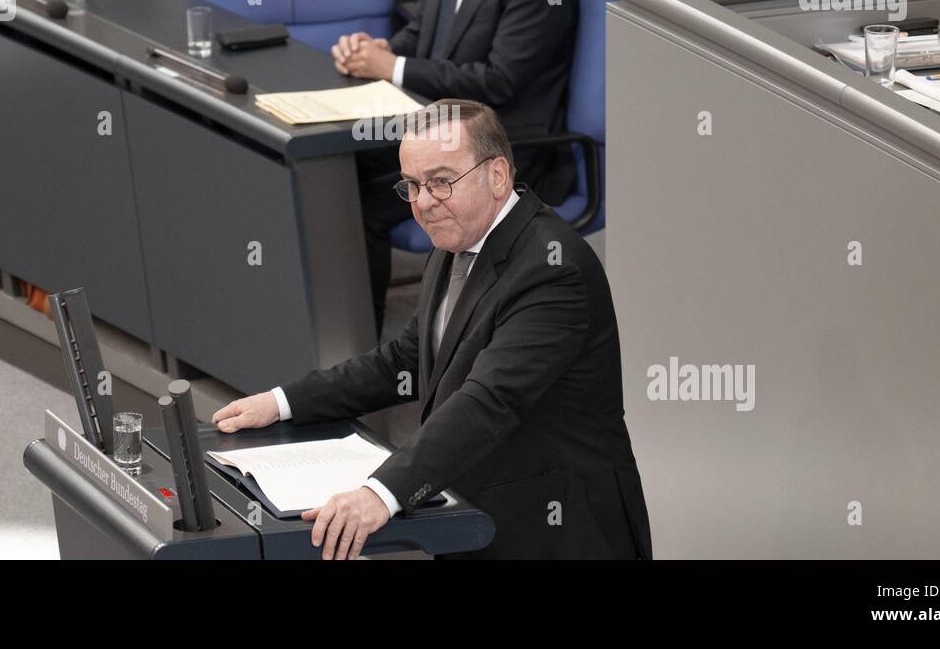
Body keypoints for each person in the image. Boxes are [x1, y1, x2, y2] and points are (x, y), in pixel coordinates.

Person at [213, 100, 652, 560]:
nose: (423, 203)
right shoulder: (456, 238)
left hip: (559, 528)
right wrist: (283, 402)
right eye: (412, 185)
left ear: (497, 175)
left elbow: (489, 401)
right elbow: (405, 359)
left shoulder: (552, 269)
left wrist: (380, 494)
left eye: (442, 182)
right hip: (482, 509)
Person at [331, 0, 578, 333]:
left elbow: (499, 81)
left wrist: (392, 68)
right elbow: (424, 28)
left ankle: (364, 347)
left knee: (359, 204)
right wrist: (379, 51)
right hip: (438, 126)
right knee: (331, 170)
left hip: (502, 147)